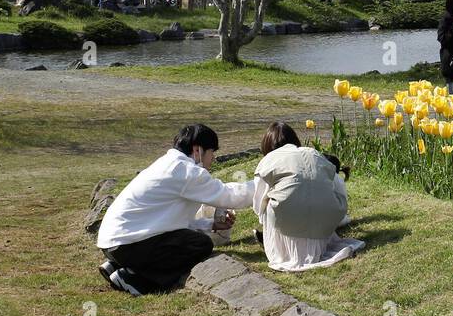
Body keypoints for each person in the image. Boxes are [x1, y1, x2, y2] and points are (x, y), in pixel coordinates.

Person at [96, 124, 253, 296]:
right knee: (199, 244)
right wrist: (262, 185)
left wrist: (211, 224)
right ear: (197, 150)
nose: (213, 158)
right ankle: (136, 279)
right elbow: (229, 196)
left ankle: (118, 264)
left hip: (113, 243)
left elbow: (170, 221)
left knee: (188, 238)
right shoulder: (187, 172)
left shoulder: (167, 164)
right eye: (211, 152)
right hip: (127, 245)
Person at [253, 122, 363, 271]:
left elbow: (258, 205)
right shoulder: (314, 154)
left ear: (267, 147)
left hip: (289, 225)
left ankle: (281, 248)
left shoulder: (269, 161)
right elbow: (337, 187)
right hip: (324, 224)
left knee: (268, 205)